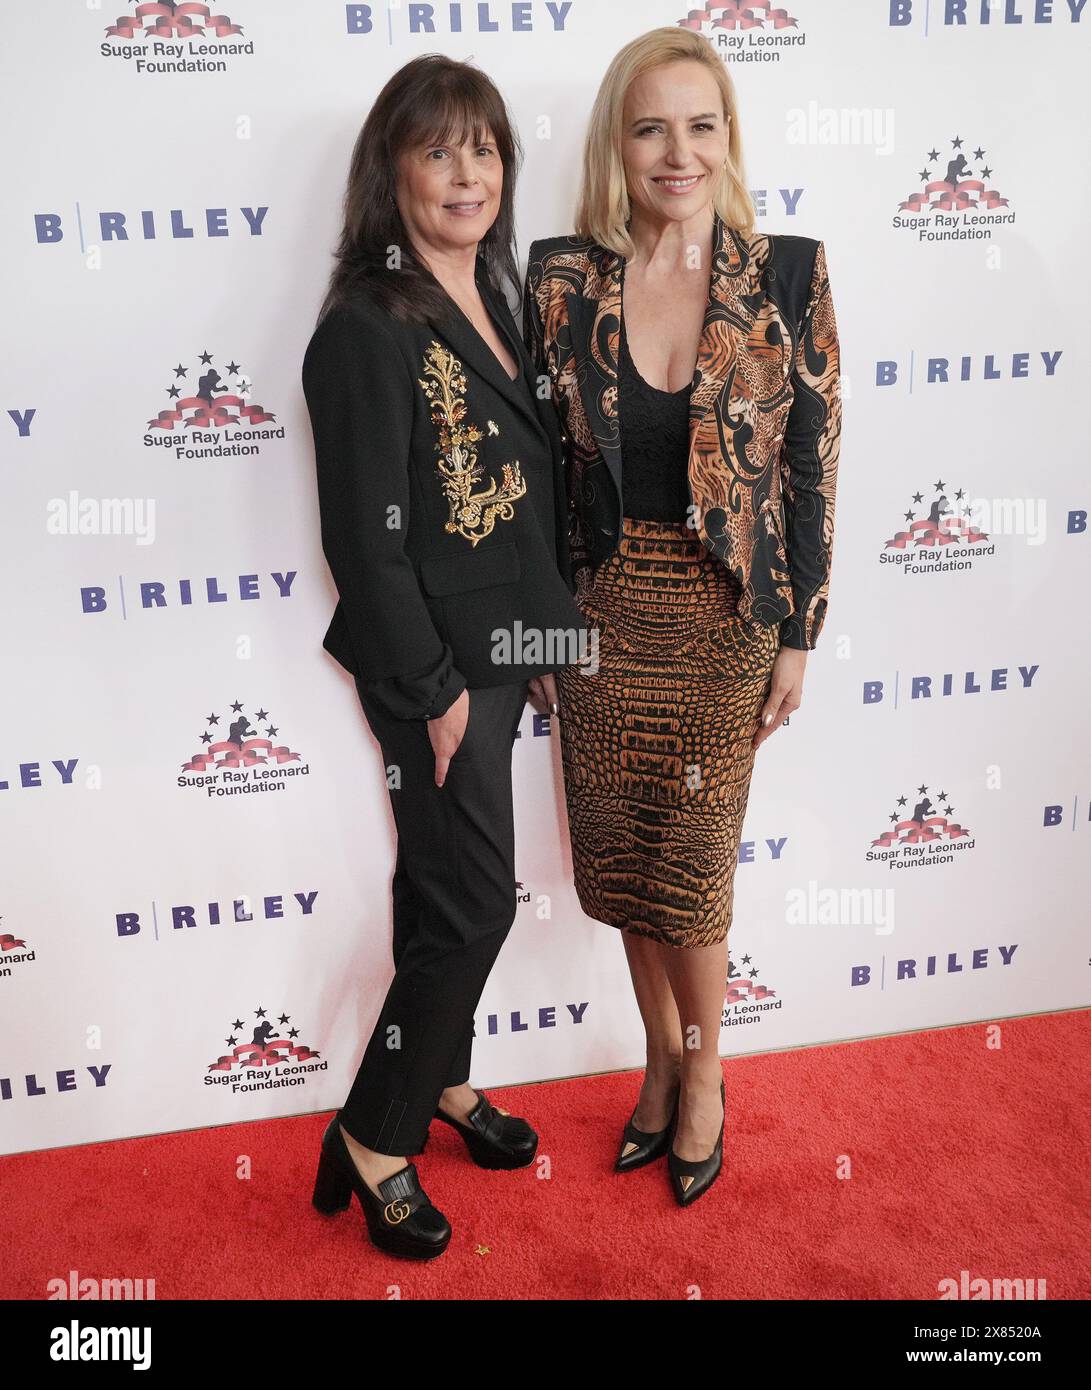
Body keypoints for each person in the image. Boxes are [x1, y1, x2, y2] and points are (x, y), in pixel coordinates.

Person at [523, 27, 842, 1207]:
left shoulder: (789, 274)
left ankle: (702, 1077)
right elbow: (548, 477)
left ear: (727, 139)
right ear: (619, 139)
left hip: (722, 619)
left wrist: (799, 629)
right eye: (651, 125)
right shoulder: (561, 279)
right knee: (619, 861)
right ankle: (656, 1060)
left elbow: (812, 464)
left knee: (691, 868)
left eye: (700, 125)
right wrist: (546, 625)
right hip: (598, 615)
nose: (677, 151)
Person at [302, 53, 586, 1259]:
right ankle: (375, 1133)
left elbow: (507, 498)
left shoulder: (497, 293)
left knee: (439, 890)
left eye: (482, 147)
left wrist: (536, 639)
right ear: (391, 173)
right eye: (435, 150)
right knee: (470, 905)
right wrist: (427, 693)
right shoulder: (368, 325)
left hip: (494, 648)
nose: (464, 171)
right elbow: (364, 541)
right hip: (430, 671)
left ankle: (445, 1081)